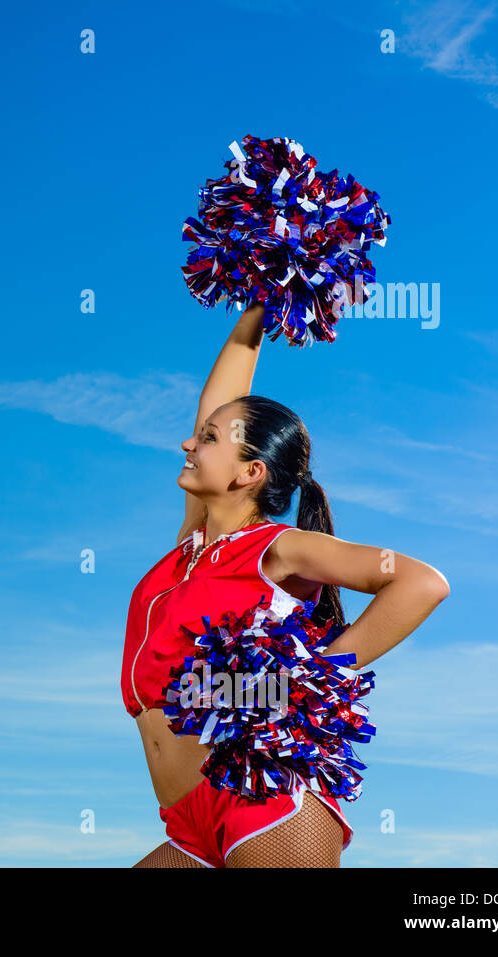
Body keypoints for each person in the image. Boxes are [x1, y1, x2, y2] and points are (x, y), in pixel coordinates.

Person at [124, 302, 450, 868]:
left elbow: (420, 583)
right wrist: (255, 306)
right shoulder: (190, 546)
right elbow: (218, 402)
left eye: (207, 440)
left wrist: (314, 678)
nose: (188, 445)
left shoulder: (278, 547)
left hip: (265, 797)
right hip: (187, 824)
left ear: (250, 472)